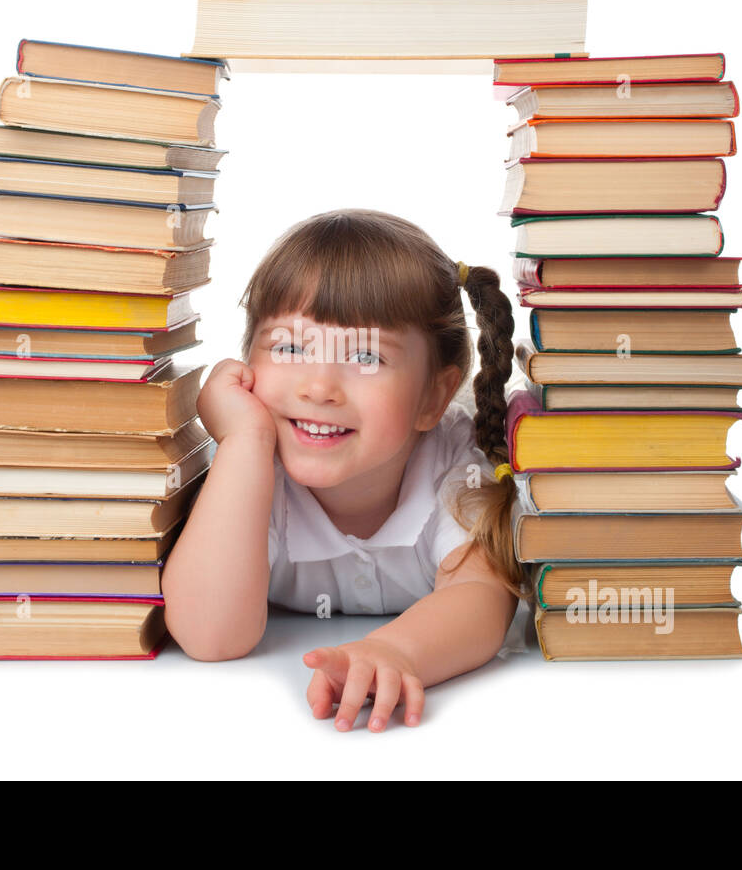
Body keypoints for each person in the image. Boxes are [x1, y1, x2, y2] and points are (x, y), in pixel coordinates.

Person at [162, 208, 525, 731]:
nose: (318, 387)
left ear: (434, 396)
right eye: (289, 347)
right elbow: (210, 635)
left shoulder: (453, 464)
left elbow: (481, 598)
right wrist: (243, 441)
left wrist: (396, 651)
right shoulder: (250, 472)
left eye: (366, 358)